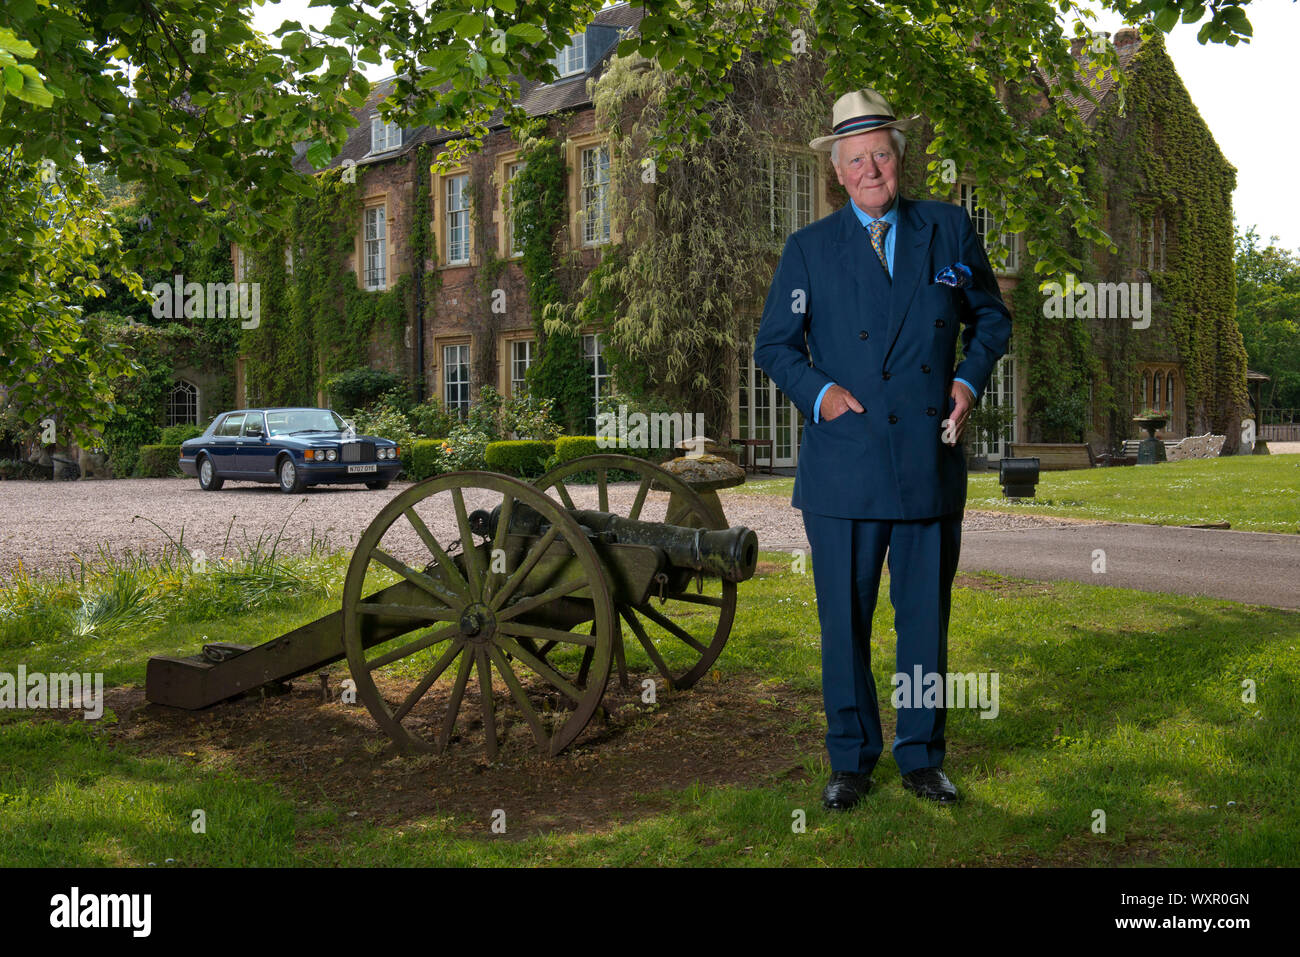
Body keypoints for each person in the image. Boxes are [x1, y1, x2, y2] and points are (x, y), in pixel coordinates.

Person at [753, 89, 1012, 809]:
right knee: (844, 619)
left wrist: (965, 379)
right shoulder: (808, 250)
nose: (872, 169)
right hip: (843, 463)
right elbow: (773, 345)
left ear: (900, 161)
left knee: (924, 620)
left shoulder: (949, 231)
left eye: (883, 155)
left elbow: (990, 319)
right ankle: (851, 758)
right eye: (857, 158)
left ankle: (922, 756)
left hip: (928, 459)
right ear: (837, 172)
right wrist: (820, 392)